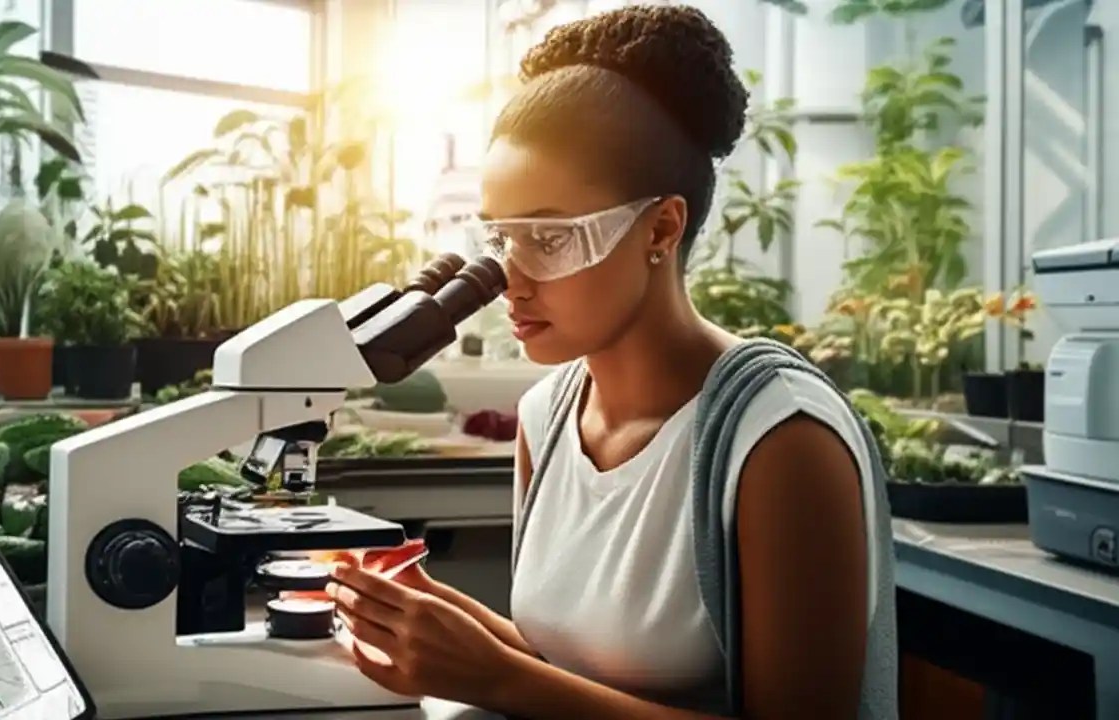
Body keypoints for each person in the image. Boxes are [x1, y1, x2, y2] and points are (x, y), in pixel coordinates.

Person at [325, 5, 896, 719]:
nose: (511, 277)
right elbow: (572, 674)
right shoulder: (550, 415)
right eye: (501, 236)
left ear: (661, 228)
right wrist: (450, 631)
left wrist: (495, 678)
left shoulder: (781, 439)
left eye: (550, 238)